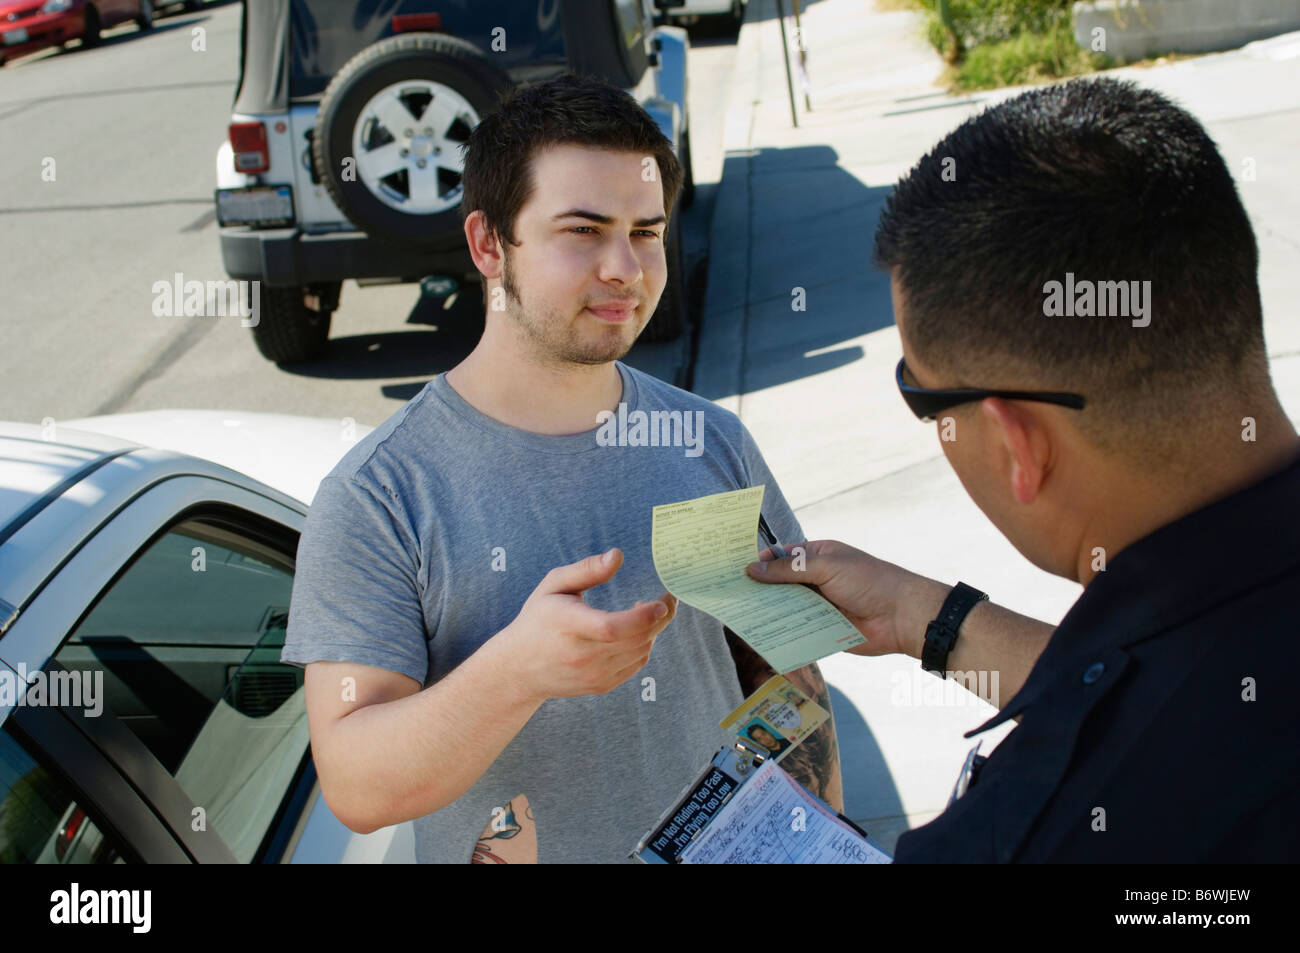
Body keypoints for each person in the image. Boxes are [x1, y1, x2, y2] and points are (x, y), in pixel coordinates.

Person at [281, 72, 841, 864]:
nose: (625, 267)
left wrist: (820, 845)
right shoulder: (377, 497)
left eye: (646, 232)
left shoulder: (709, 440)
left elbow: (790, 678)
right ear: (487, 244)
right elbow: (357, 785)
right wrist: (518, 671)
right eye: (583, 230)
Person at [747, 77, 1300, 862]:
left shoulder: (1035, 836)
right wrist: (926, 619)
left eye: (918, 389)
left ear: (1018, 442)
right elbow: (1179, 693)